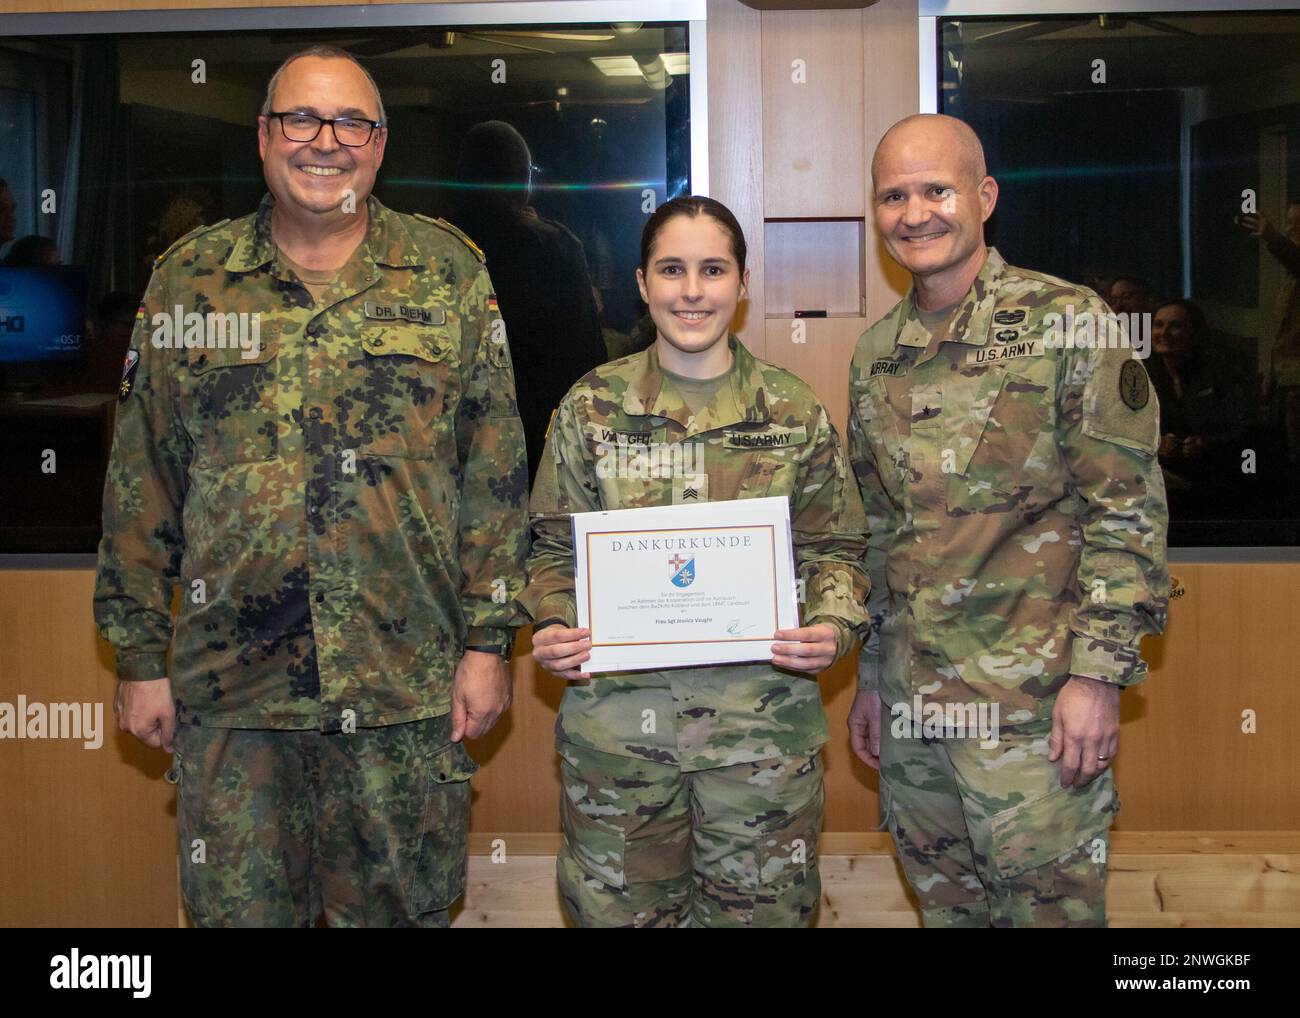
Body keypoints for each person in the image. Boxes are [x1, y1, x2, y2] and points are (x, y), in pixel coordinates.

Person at [93, 45, 529, 927]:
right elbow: (142, 482)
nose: (325, 142)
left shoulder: (448, 273)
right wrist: (138, 658)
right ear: (263, 135)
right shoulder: (190, 282)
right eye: (301, 118)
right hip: (235, 699)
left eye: (351, 124)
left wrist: (489, 644)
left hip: (402, 689)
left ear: (379, 144)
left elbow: (493, 471)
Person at [845, 114, 1169, 927]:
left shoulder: (1069, 323)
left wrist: (1098, 677)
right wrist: (872, 681)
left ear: (984, 197)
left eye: (937, 190)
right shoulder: (876, 354)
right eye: (893, 196)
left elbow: (1126, 511)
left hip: (1036, 711)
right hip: (916, 711)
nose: (915, 214)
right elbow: (878, 533)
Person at [521, 196, 870, 927]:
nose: (691, 291)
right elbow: (553, 549)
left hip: (760, 740)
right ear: (642, 283)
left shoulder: (792, 411)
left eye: (713, 270)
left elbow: (835, 546)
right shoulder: (590, 409)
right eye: (671, 269)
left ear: (742, 284)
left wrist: (833, 624)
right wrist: (553, 622)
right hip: (620, 741)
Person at [452, 120, 609, 484]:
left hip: (454, 446)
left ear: (462, 174)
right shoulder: (554, 246)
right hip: (541, 439)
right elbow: (588, 366)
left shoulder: (430, 246)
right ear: (524, 178)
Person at [1146, 297, 1253, 512]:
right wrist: (1157, 443)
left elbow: (1246, 430)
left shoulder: (1220, 371)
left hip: (1217, 478)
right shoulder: (1143, 373)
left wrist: (1207, 444)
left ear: (1194, 332)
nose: (1164, 333)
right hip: (1162, 481)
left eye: (1175, 326)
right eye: (1158, 325)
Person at [1239, 204, 1300, 466]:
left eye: (1298, 223)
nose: (1291, 230)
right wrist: (1270, 376)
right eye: (1289, 222)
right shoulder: (1290, 280)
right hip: (1284, 377)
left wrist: (1273, 238)